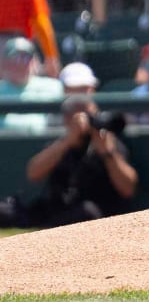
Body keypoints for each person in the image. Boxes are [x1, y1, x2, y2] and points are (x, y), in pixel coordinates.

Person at [0, 96, 135, 228]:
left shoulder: (109, 144)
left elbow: (128, 189)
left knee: (87, 211)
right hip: (60, 210)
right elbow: (33, 173)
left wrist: (108, 154)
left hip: (98, 213)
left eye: (92, 115)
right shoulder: (60, 145)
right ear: (67, 120)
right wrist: (68, 142)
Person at [0, 37, 63, 133]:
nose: (21, 63)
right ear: (5, 62)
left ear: (34, 61)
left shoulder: (54, 87)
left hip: (45, 144)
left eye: (26, 57)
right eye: (15, 57)